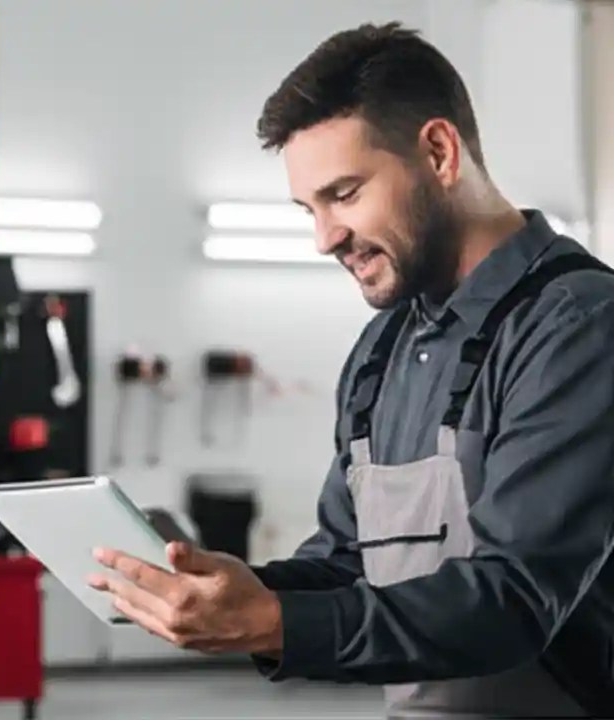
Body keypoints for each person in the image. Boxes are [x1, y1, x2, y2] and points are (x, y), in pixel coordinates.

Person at [87, 21, 614, 718]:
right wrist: (233, 590)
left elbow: (513, 598)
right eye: (310, 208)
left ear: (438, 151)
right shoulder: (381, 350)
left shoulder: (576, 326)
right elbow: (349, 564)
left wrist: (272, 621)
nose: (324, 237)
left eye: (344, 194)